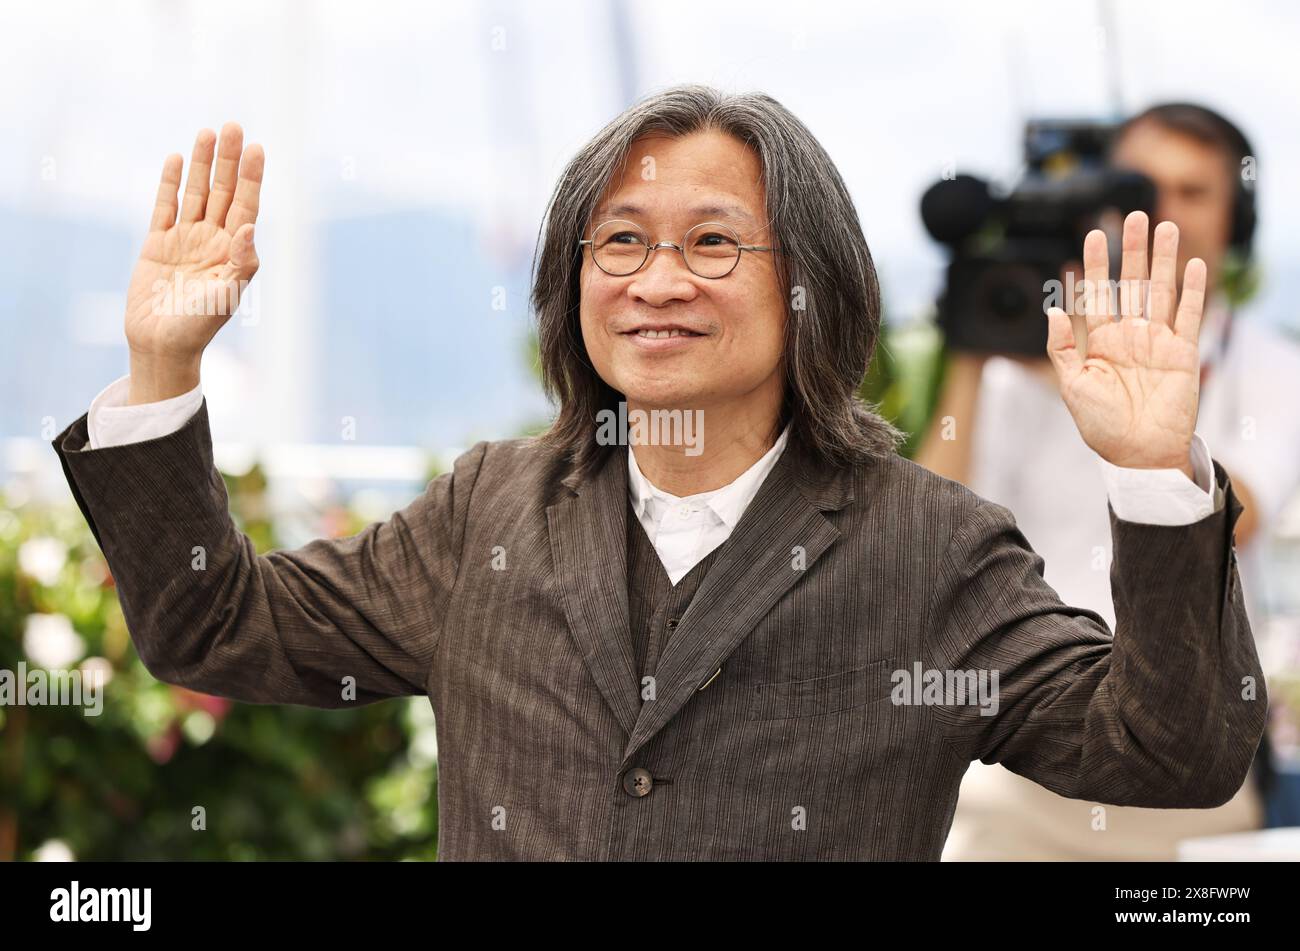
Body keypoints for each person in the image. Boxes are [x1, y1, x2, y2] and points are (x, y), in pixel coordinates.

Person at [52, 85, 1264, 861]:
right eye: (619, 241)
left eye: (712, 243)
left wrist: (1157, 472)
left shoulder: (931, 549)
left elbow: (1170, 755)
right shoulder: (486, 509)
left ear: (814, 286)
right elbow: (216, 628)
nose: (656, 280)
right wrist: (162, 367)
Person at [920, 102, 1300, 860]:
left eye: (1195, 191)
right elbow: (931, 527)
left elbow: (1243, 516)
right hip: (1024, 752)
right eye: (1141, 189)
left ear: (1240, 216)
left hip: (1190, 760)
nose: (1164, 211)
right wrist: (974, 347)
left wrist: (1147, 429)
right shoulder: (1020, 364)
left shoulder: (1273, 365)